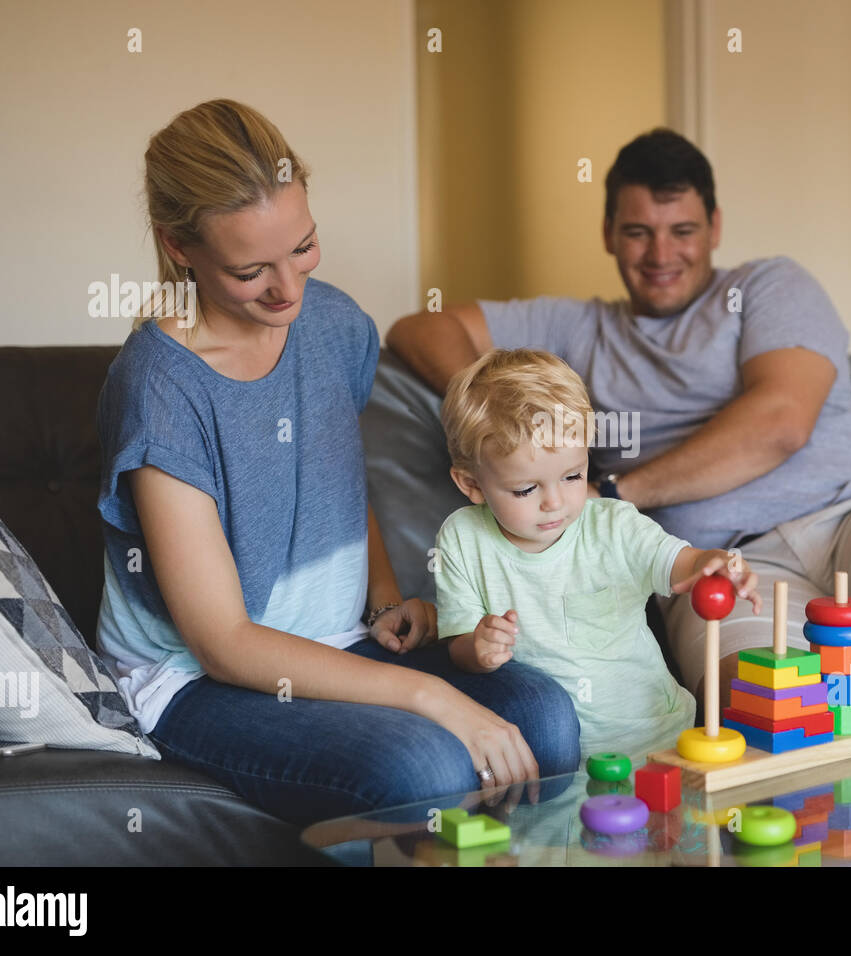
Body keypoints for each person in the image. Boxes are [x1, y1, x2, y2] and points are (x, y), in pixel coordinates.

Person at [387, 127, 851, 709]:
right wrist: (502, 412)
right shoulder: (576, 326)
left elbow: (782, 422)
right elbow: (422, 328)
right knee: (756, 699)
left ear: (716, 227)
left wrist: (616, 491)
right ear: (609, 233)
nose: (660, 252)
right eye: (638, 231)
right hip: (719, 560)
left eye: (683, 230)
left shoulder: (769, 286)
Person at [94, 99, 579, 827]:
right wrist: (431, 694)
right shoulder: (158, 389)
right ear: (179, 247)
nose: (289, 290)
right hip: (198, 680)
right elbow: (222, 642)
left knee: (545, 716)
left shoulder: (335, 324)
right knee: (425, 766)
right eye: (252, 270)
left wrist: (385, 602)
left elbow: (335, 484)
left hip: (338, 644)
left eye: (304, 248)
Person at [433, 348, 762, 762]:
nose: (555, 502)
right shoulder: (461, 540)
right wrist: (478, 649)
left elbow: (680, 562)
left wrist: (712, 562)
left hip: (658, 738)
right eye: (526, 489)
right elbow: (459, 645)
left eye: (572, 476)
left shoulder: (614, 526)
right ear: (471, 484)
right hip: (553, 758)